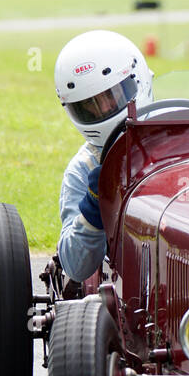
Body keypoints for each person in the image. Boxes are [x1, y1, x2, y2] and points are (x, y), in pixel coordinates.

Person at [53, 30, 153, 283]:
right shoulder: (84, 169)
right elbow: (75, 267)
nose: (105, 109)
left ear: (137, 80)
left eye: (112, 96)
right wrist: (94, 204)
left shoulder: (185, 132)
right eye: (90, 105)